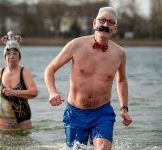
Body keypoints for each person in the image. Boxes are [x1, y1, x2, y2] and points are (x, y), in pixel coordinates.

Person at [44, 7, 132, 149]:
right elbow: (50, 69)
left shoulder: (120, 53)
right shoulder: (76, 45)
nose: (105, 25)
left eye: (110, 22)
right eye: (102, 20)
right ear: (94, 23)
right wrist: (52, 92)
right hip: (75, 112)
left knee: (103, 147)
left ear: (115, 29)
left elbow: (121, 80)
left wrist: (124, 108)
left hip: (102, 112)